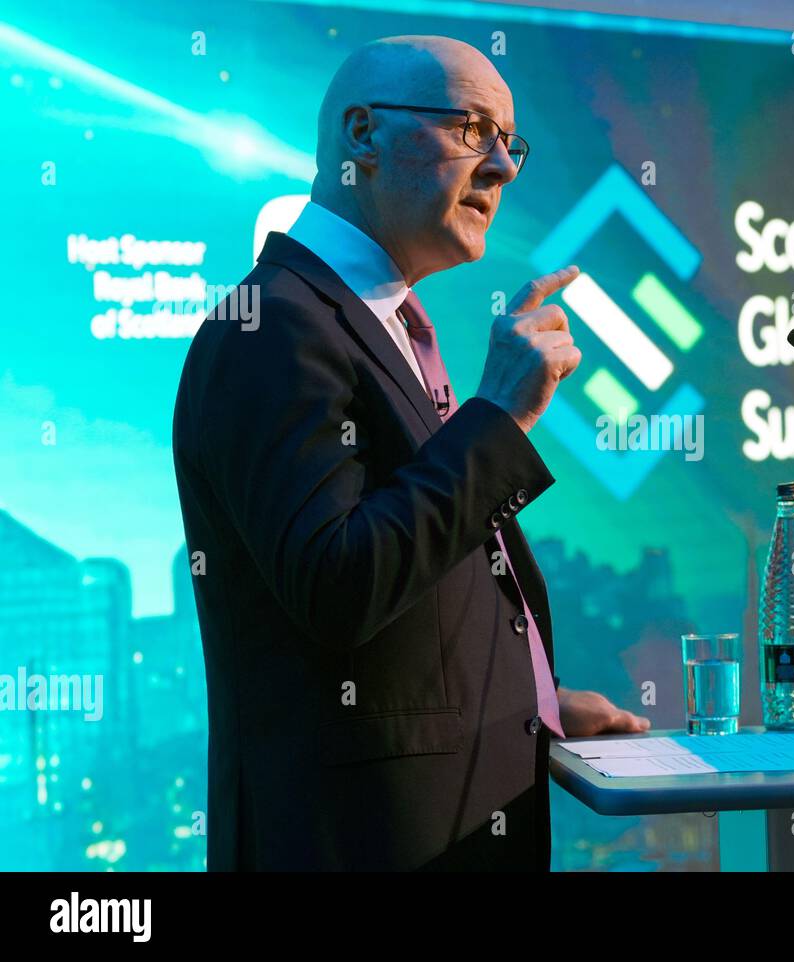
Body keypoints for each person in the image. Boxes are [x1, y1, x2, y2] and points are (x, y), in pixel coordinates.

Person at [172, 34, 649, 871]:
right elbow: (338, 584)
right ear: (363, 136)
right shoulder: (274, 327)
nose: (501, 167)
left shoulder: (370, 322)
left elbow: (418, 600)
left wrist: (528, 704)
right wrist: (498, 416)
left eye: (512, 142)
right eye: (472, 129)